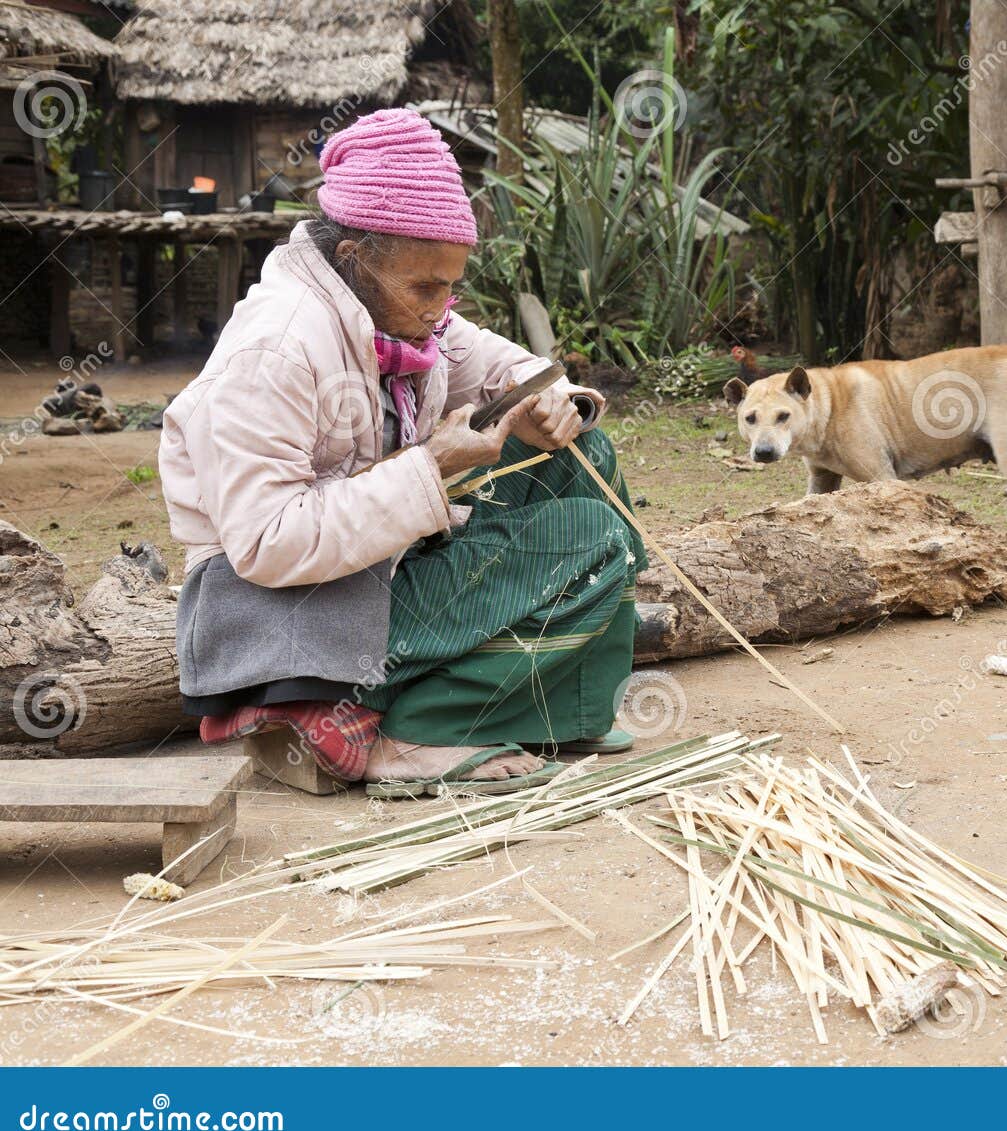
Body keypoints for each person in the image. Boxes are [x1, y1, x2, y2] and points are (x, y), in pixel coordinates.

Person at [159, 109, 645, 797]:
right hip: (285, 621)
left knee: (578, 452)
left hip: (373, 570)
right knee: (591, 537)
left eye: (451, 286)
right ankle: (404, 726)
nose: (440, 306)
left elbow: (486, 356)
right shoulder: (277, 348)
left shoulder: (395, 314)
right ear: (356, 256)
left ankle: (565, 703)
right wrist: (433, 466)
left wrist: (552, 395)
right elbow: (266, 543)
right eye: (427, 286)